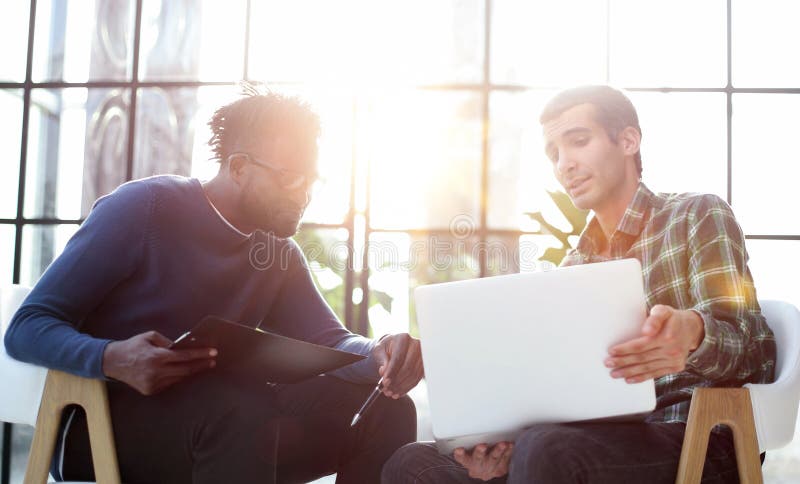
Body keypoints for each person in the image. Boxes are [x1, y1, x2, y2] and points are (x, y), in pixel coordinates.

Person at [5, 83, 424, 484]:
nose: (304, 195)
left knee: (388, 409)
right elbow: (27, 326)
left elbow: (331, 342)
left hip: (228, 422)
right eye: (290, 177)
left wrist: (380, 353)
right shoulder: (142, 209)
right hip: (101, 426)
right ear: (239, 167)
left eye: (310, 180)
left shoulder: (276, 253)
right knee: (241, 408)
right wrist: (112, 357)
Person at [382, 85, 776, 483]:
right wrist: (505, 450)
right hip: (589, 442)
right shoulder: (574, 267)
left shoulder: (697, 216)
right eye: (553, 154)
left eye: (578, 142)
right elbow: (554, 391)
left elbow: (754, 351)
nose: (564, 164)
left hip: (697, 436)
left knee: (545, 449)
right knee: (411, 464)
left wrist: (693, 332)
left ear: (628, 140)